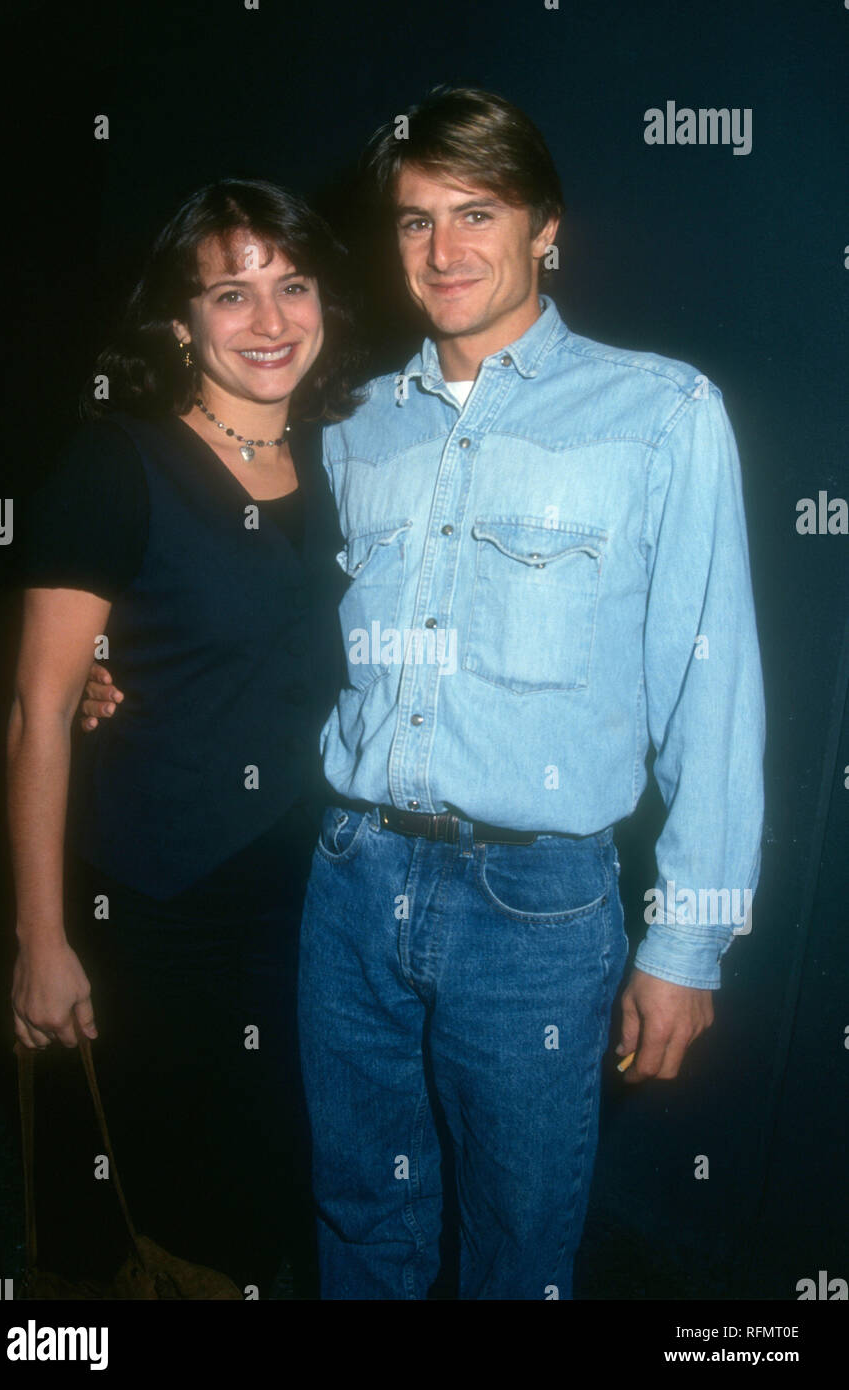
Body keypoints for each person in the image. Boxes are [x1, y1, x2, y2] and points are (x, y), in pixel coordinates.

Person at [292, 86, 765, 1299]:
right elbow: (258, 620)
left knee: (519, 1253)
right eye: (411, 221)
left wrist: (690, 942)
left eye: (476, 212)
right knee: (358, 1227)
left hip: (535, 914)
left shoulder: (660, 413)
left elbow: (712, 689)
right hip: (348, 886)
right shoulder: (348, 423)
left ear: (545, 226)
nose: (442, 251)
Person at [7, 177, 358, 1296]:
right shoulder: (118, 462)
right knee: (172, 1206)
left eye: (291, 285)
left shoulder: (350, 466)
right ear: (179, 322)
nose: (269, 321)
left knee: (279, 1194)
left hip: (312, 900)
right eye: (230, 293)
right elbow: (39, 708)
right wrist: (41, 940)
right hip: (161, 903)